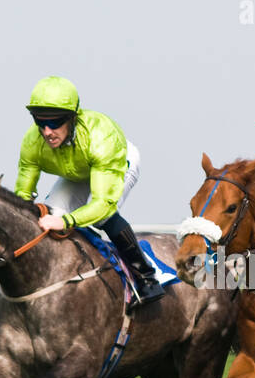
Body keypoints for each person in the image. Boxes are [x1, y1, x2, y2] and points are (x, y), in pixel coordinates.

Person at [15, 76, 163, 305]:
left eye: (55, 122)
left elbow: (102, 205)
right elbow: (22, 198)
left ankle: (146, 277)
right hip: (77, 171)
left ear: (72, 118)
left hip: (116, 162)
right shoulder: (31, 142)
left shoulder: (101, 137)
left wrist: (66, 221)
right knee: (51, 213)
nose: (47, 131)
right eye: (40, 122)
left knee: (102, 218)